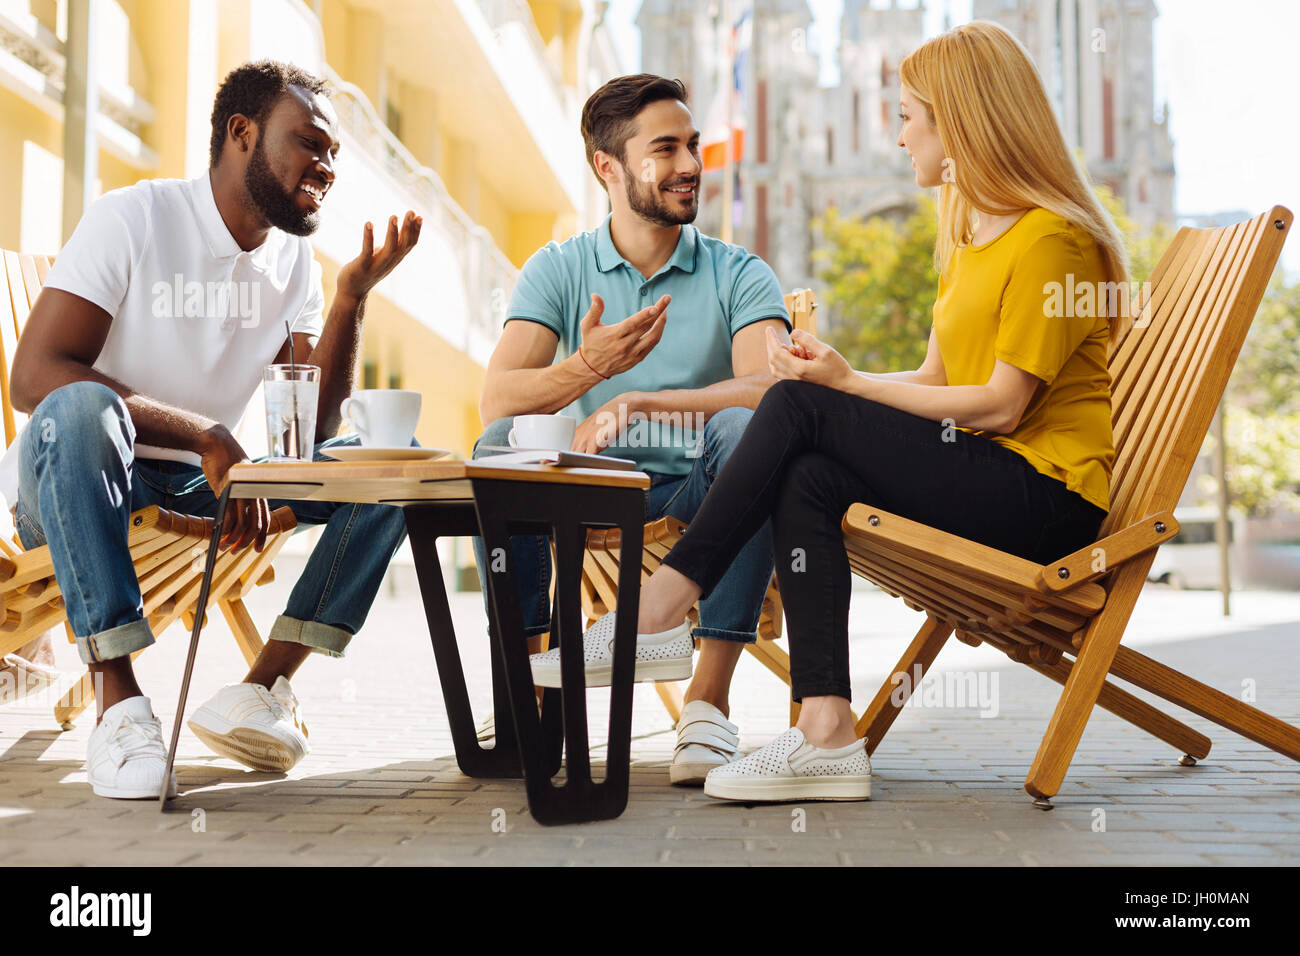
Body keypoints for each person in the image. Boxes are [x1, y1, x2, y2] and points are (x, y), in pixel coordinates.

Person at [557, 20, 1128, 802]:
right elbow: (934, 377)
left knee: (797, 404)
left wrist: (843, 387)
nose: (898, 136)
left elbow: (998, 408)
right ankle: (827, 729)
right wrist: (839, 378)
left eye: (908, 117)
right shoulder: (969, 237)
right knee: (811, 469)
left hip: (1046, 503)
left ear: (961, 123)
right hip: (987, 476)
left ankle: (657, 610)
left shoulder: (1052, 242)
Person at [5, 60, 422, 799]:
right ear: (242, 133)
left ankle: (261, 689)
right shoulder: (135, 217)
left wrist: (351, 299)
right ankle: (121, 705)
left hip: (203, 487)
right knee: (80, 407)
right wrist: (205, 432)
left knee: (390, 466)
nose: (325, 168)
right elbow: (35, 375)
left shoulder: (295, 261)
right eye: (311, 144)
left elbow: (312, 429)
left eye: (333, 156)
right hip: (76, 479)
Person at [472, 74, 795, 785]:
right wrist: (588, 367)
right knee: (497, 450)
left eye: (693, 146)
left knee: (750, 432)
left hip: (700, 498)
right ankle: (529, 688)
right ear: (608, 167)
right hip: (589, 499)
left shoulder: (738, 273)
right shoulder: (557, 269)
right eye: (666, 149)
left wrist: (645, 399)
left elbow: (775, 389)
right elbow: (497, 400)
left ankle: (707, 704)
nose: (689, 166)